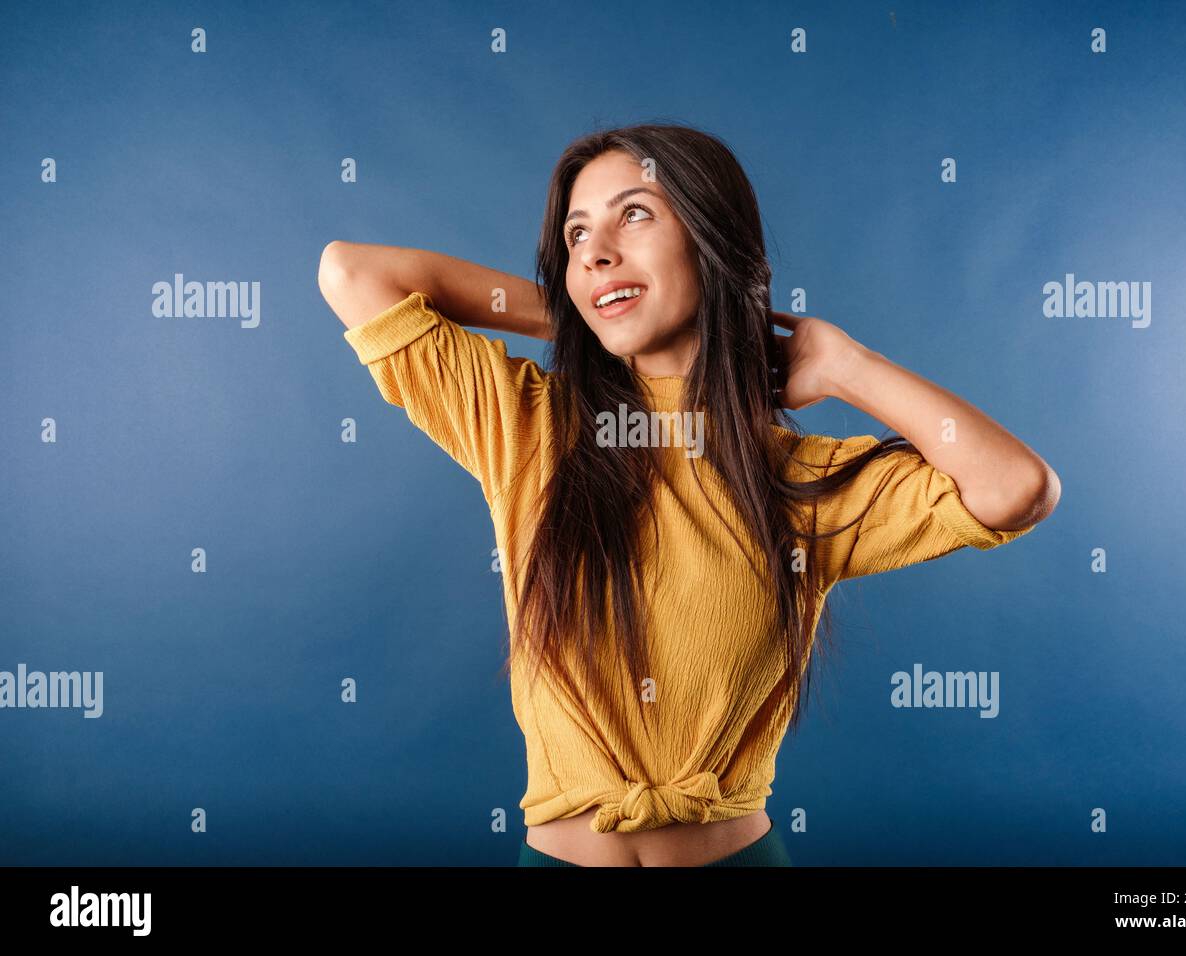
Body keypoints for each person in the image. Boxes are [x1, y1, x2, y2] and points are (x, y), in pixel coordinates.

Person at [317, 123, 1060, 867]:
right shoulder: (527, 425)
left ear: (712, 241)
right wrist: (588, 311)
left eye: (633, 214)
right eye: (577, 235)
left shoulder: (798, 480)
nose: (595, 250)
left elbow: (1016, 487)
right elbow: (350, 273)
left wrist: (846, 365)